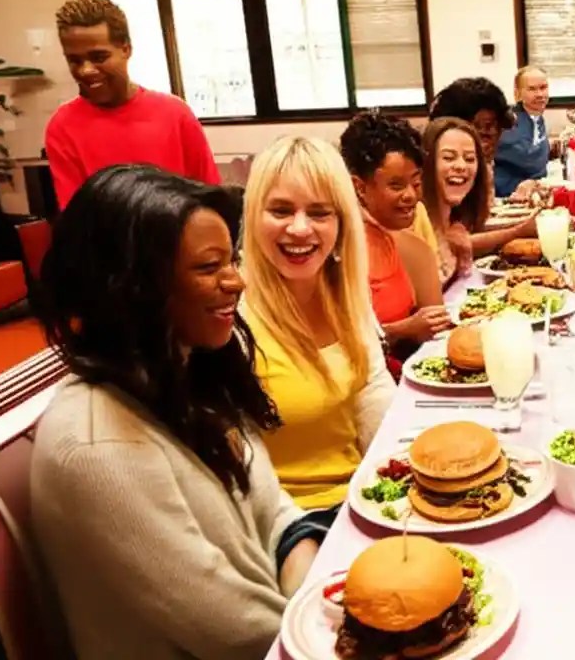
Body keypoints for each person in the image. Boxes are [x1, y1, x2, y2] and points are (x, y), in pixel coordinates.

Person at [30, 165, 322, 659]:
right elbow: (227, 629)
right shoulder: (97, 446)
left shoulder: (189, 374)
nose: (237, 281)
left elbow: (274, 511)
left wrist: (312, 592)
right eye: (209, 267)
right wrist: (328, 625)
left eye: (232, 260)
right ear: (131, 287)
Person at [241, 135, 396, 511]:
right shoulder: (231, 319)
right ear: (254, 216)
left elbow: (374, 402)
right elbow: (235, 474)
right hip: (288, 522)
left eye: (319, 213)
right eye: (280, 210)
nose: (299, 228)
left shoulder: (347, 298)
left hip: (361, 501)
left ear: (342, 223)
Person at [45, 0, 220, 209]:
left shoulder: (175, 114)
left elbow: (212, 199)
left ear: (126, 49)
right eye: (74, 60)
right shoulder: (63, 127)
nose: (86, 70)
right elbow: (76, 217)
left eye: (99, 57)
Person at [339, 111, 452, 375]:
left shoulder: (413, 250)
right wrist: (402, 330)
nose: (410, 195)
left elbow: (437, 335)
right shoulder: (335, 252)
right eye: (396, 185)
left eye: (416, 182)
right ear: (359, 187)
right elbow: (334, 349)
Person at [423, 118, 536, 282]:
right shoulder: (417, 227)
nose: (461, 166)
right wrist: (521, 230)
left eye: (469, 159)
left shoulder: (456, 224)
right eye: (448, 157)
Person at [493, 66, 552, 198]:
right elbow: (529, 161)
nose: (540, 94)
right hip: (505, 195)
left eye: (543, 87)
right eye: (532, 89)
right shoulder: (508, 121)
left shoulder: (537, 118)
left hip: (530, 194)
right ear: (517, 94)